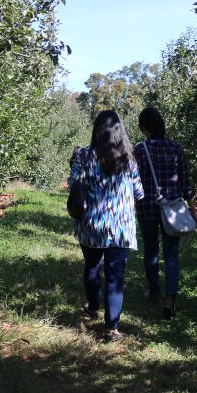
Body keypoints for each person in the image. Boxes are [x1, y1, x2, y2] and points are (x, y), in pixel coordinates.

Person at [69, 110, 144, 341]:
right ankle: (112, 328)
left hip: (92, 224)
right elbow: (139, 192)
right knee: (115, 276)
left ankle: (92, 306)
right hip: (121, 227)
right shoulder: (128, 159)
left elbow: (72, 184)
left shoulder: (84, 155)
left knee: (92, 267)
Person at [133, 107, 196, 319]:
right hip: (173, 210)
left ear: (144, 128)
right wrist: (193, 209)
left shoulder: (139, 150)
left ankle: (153, 291)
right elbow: (185, 181)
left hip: (148, 207)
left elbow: (133, 180)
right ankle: (170, 298)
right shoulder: (175, 148)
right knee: (171, 254)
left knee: (150, 250)